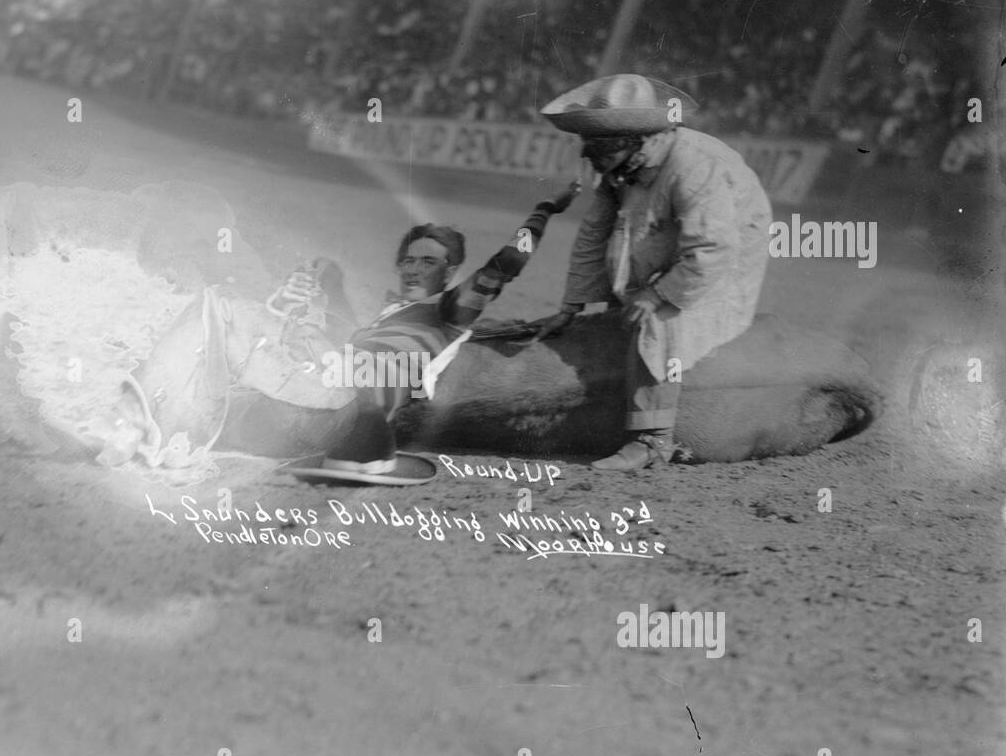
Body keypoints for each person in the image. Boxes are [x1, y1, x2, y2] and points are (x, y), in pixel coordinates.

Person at [530, 73, 772, 471]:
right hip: (676, 233)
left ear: (633, 140)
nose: (588, 153)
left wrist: (658, 294)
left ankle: (653, 440)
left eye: (598, 145)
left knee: (659, 321)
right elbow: (595, 233)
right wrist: (572, 304)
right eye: (587, 144)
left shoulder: (693, 166)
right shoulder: (617, 168)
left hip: (729, 244)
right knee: (622, 290)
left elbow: (714, 247)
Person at [277, 180, 582, 484]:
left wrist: (545, 210)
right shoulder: (392, 315)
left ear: (449, 272)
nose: (414, 270)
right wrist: (319, 286)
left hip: (346, 398)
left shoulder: (451, 308)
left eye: (428, 262)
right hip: (333, 384)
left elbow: (511, 260)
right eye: (409, 261)